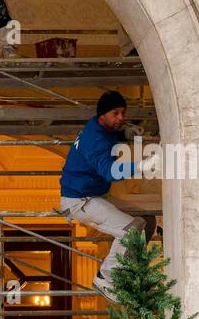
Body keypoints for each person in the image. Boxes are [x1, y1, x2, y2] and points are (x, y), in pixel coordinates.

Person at [60, 91, 157, 297]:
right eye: (116, 113)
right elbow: (109, 171)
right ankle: (105, 278)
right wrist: (141, 166)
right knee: (130, 230)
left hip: (95, 195)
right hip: (79, 201)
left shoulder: (100, 126)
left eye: (123, 112)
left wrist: (126, 135)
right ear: (103, 114)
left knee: (147, 221)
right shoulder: (94, 139)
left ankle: (130, 271)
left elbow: (111, 135)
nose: (121, 117)